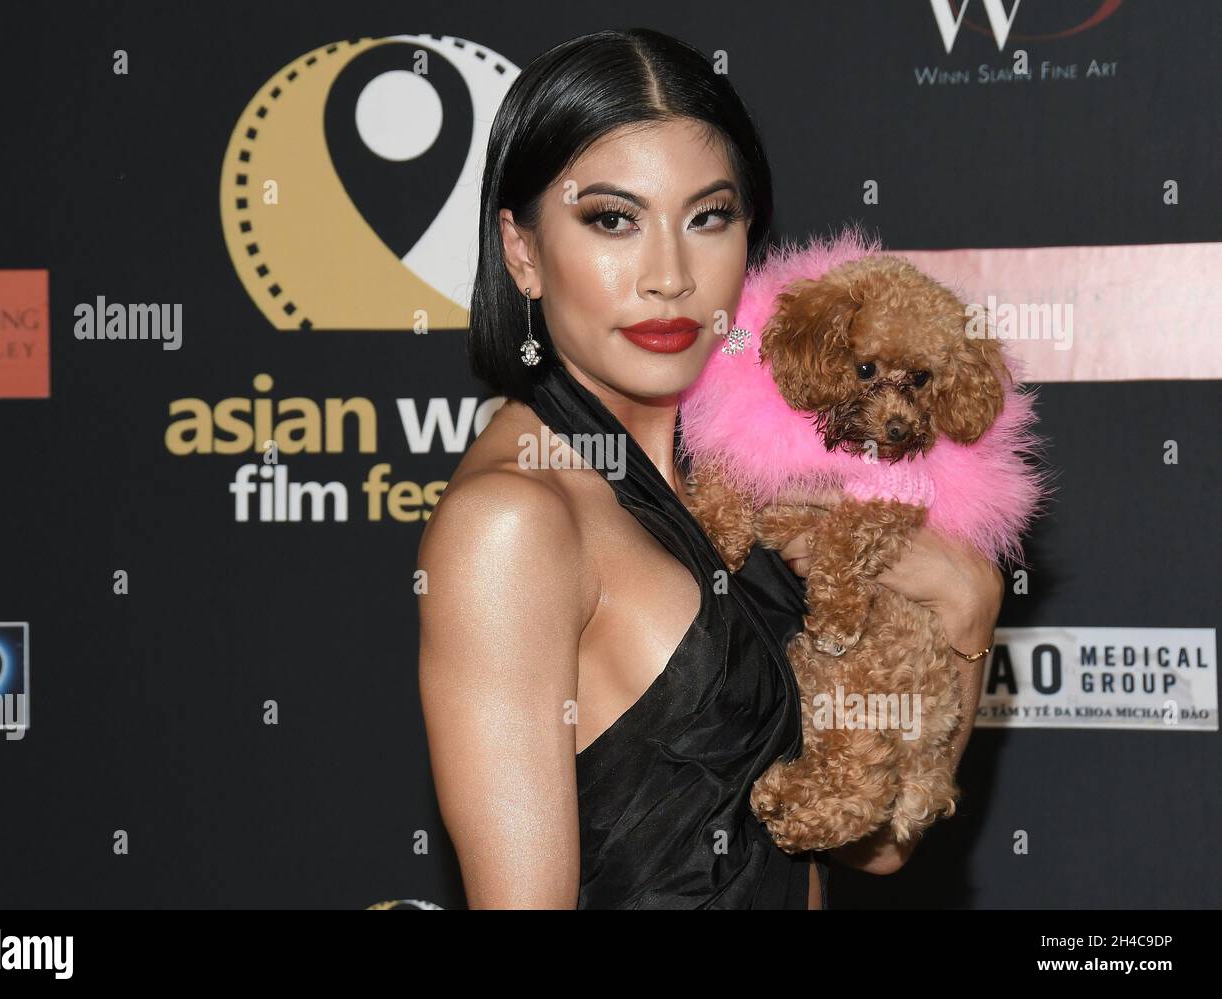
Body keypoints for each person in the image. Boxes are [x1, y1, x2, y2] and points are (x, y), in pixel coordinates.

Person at [416, 27, 1003, 909]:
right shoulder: (514, 521)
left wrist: (968, 602)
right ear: (523, 252)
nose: (669, 276)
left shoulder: (765, 477)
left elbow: (873, 850)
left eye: (708, 218)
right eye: (612, 219)